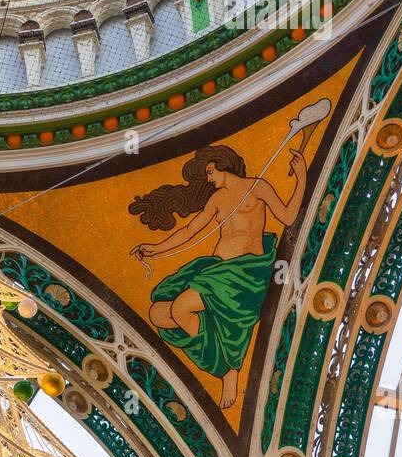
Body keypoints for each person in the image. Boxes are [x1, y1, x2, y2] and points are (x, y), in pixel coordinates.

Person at [130, 144, 307, 408]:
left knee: (180, 309)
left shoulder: (257, 186)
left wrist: (302, 176)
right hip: (215, 271)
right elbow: (190, 230)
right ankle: (219, 351)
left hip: (244, 274)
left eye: (210, 171)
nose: (208, 177)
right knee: (158, 313)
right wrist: (155, 249)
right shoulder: (216, 200)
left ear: (222, 164)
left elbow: (288, 215)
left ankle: (228, 369)